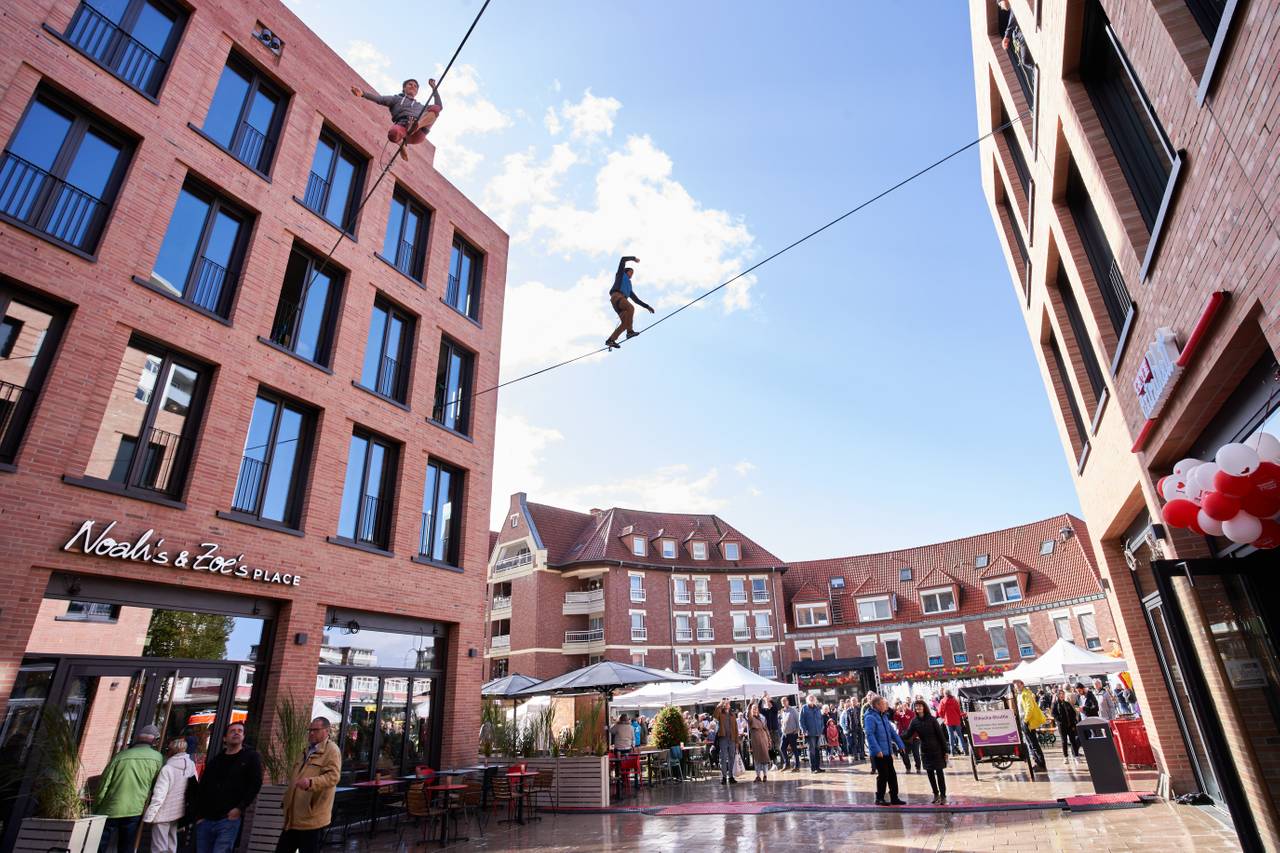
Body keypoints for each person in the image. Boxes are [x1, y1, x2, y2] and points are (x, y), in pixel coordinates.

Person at [194, 720, 263, 853]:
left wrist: (239, 808)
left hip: (228, 819)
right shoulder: (216, 760)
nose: (236, 733)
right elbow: (203, 787)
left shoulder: (250, 757)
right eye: (232, 731)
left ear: (243, 736)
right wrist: (199, 815)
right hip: (206, 819)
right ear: (225, 738)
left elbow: (255, 784)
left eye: (240, 731)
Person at [277, 717, 342, 853]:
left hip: (312, 818)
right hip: (293, 818)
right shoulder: (306, 750)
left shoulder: (332, 750)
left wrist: (311, 782)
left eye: (315, 730)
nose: (311, 733)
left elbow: (333, 777)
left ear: (326, 731)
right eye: (310, 730)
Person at [96, 724, 163, 853]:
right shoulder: (157, 759)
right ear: (154, 741)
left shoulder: (120, 756)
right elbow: (157, 786)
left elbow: (104, 783)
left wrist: (97, 806)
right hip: (135, 808)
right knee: (126, 846)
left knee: (100, 845)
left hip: (111, 807)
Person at [352, 77, 442, 162]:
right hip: (403, 127)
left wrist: (434, 88)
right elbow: (380, 99)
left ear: (416, 92)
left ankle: (416, 125)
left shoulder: (421, 106)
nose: (413, 87)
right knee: (393, 133)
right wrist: (363, 94)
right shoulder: (396, 99)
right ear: (404, 88)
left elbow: (439, 106)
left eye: (415, 86)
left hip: (418, 132)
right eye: (410, 84)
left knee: (435, 109)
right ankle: (401, 143)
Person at [143, 738, 197, 853]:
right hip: (179, 811)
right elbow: (193, 787)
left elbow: (159, 794)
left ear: (171, 751)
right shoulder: (191, 765)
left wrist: (149, 816)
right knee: (172, 843)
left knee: (159, 847)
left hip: (164, 812)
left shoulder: (167, 769)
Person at [864, 695, 906, 806]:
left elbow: (892, 732)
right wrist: (877, 750)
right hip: (879, 753)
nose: (886, 706)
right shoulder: (870, 717)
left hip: (887, 750)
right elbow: (870, 735)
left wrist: (900, 744)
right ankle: (879, 798)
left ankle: (894, 797)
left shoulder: (883, 716)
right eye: (884, 704)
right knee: (883, 775)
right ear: (877, 705)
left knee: (892, 775)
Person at [604, 256, 653, 349]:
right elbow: (622, 259)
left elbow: (636, 300)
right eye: (631, 272)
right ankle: (630, 332)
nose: (632, 274)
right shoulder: (620, 275)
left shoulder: (628, 287)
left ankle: (611, 340)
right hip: (617, 296)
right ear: (626, 271)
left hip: (619, 303)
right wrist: (633, 258)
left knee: (625, 324)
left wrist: (647, 306)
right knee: (631, 308)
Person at [906, 700, 949, 804]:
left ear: (924, 707)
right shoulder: (914, 721)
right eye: (916, 707)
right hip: (925, 750)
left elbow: (941, 736)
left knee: (939, 773)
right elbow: (908, 734)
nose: (918, 708)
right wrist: (895, 736)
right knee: (930, 774)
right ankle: (936, 794)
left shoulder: (932, 719)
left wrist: (945, 751)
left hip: (937, 749)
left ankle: (943, 796)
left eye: (920, 706)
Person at [1011, 679, 1048, 770]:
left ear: (1022, 684)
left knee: (1033, 744)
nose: (1017, 687)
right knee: (1030, 743)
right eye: (1015, 686)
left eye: (1018, 685)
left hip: (1028, 722)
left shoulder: (1026, 694)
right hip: (1024, 721)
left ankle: (1041, 764)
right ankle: (1037, 763)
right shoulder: (1019, 695)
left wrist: (1025, 720)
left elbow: (1029, 707)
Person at [1051, 688, 1082, 762]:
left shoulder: (1067, 703)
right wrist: (1059, 720)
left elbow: (1073, 713)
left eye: (1063, 694)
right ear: (1058, 695)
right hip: (1062, 726)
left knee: (1073, 740)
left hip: (1070, 725)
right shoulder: (1055, 704)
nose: (1062, 695)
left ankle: (1076, 756)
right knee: (1064, 741)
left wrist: (1073, 722)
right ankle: (1066, 757)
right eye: (1061, 694)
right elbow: (1053, 714)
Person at [712, 698, 738, 784]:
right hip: (723, 738)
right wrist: (720, 704)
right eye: (726, 703)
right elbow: (715, 715)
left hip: (732, 739)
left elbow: (736, 729)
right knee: (723, 758)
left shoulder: (733, 714)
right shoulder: (720, 713)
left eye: (728, 703)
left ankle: (731, 776)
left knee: (732, 758)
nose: (728, 704)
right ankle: (723, 777)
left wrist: (737, 742)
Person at [800, 693, 826, 773]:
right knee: (812, 751)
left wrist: (821, 729)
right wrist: (804, 730)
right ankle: (813, 768)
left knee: (817, 750)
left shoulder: (817, 708)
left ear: (815, 700)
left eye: (813, 698)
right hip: (810, 733)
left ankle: (818, 767)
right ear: (807, 700)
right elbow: (801, 721)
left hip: (818, 733)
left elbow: (821, 719)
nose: (811, 700)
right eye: (810, 698)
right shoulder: (804, 708)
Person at [937, 689, 966, 756]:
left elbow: (939, 712)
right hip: (956, 720)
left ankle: (952, 752)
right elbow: (958, 710)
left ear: (944, 694)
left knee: (951, 736)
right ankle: (964, 750)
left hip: (948, 721)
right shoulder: (954, 700)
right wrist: (960, 716)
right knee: (960, 735)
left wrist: (943, 718)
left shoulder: (942, 701)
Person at [894, 701, 920, 773]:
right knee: (904, 753)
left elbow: (916, 724)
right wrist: (898, 711)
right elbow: (895, 718)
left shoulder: (912, 713)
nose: (903, 707)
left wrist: (918, 735)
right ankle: (908, 767)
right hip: (903, 737)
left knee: (916, 754)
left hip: (914, 737)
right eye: (903, 706)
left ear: (908, 706)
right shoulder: (900, 713)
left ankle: (918, 767)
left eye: (905, 706)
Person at [747, 704, 771, 782]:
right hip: (756, 740)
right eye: (753, 709)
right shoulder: (750, 719)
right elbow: (748, 714)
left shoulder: (762, 718)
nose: (755, 710)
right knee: (757, 759)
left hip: (763, 738)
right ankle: (758, 776)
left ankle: (765, 775)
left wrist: (769, 739)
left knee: (765, 758)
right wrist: (750, 704)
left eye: (756, 708)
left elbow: (766, 729)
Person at [757, 693, 781, 769]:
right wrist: (761, 699)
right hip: (768, 732)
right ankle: (775, 763)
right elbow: (759, 708)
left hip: (775, 730)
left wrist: (770, 700)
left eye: (769, 704)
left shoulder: (774, 711)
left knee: (778, 747)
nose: (768, 704)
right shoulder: (764, 711)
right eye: (767, 703)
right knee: (771, 748)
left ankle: (784, 762)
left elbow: (776, 706)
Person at [779, 696, 800, 771]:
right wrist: (782, 729)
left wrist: (797, 730)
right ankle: (787, 764)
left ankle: (797, 766)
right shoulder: (783, 711)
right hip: (785, 733)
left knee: (794, 750)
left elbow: (798, 720)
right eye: (782, 701)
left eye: (785, 701)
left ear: (788, 701)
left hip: (792, 733)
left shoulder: (793, 710)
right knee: (782, 748)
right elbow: (783, 722)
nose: (783, 702)